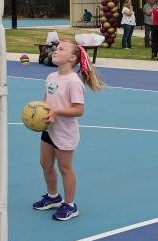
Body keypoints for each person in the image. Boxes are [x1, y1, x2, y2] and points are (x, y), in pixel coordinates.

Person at [32, 39, 104, 221]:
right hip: (49, 129)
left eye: (61, 49)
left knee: (64, 168)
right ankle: (53, 197)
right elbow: (46, 100)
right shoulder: (51, 77)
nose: (56, 51)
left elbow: (79, 110)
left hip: (65, 132)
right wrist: (38, 114)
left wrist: (56, 111)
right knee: (45, 164)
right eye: (56, 48)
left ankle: (70, 205)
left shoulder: (73, 82)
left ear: (72, 58)